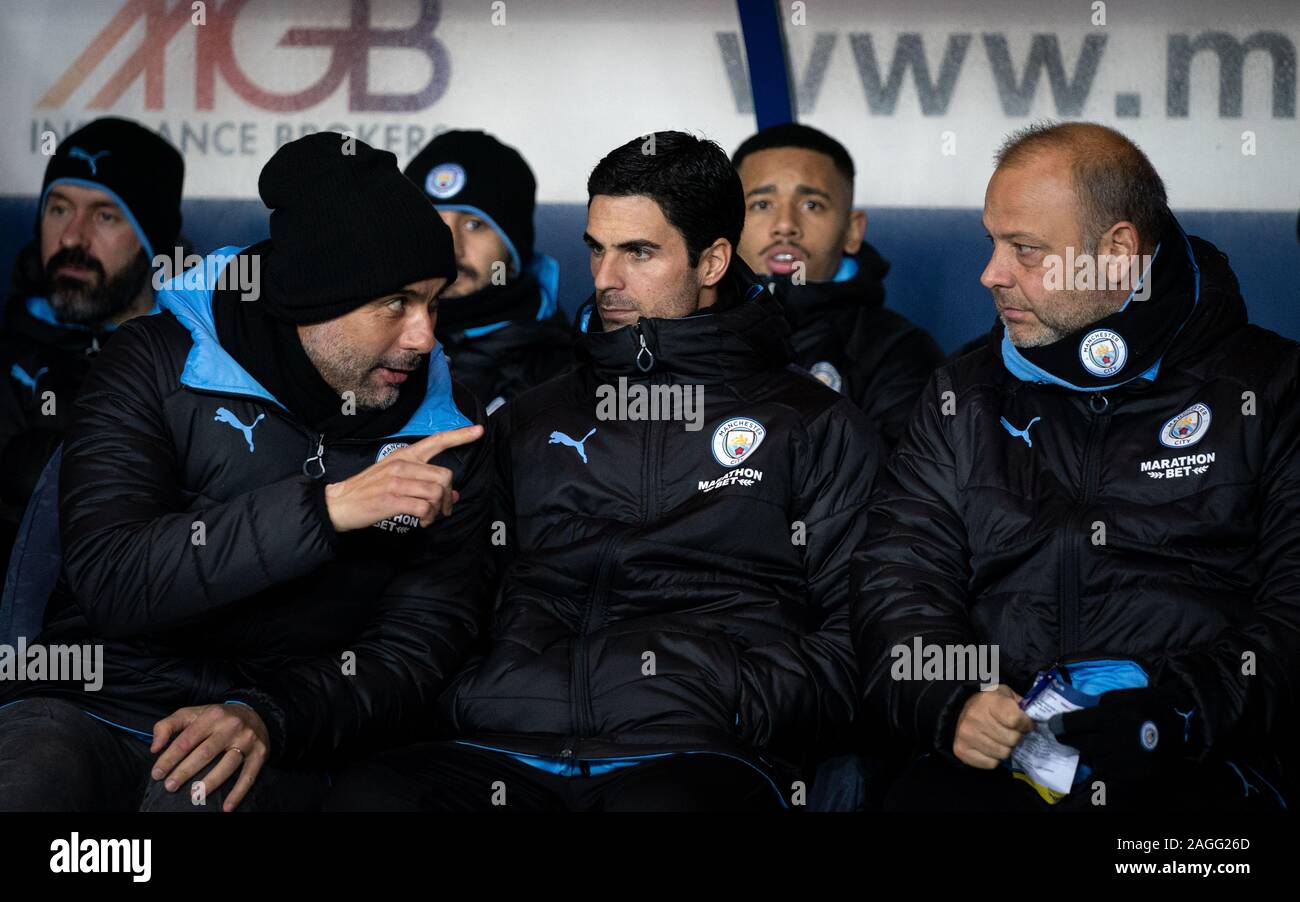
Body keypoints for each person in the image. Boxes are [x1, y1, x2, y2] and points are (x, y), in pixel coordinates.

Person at [325, 131, 882, 812]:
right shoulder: (527, 418)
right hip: (507, 736)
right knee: (370, 799)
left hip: (694, 749)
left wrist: (729, 698)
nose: (605, 279)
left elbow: (858, 639)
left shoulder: (815, 424)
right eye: (597, 248)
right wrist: (469, 690)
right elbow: (439, 604)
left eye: (638, 252)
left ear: (711, 261)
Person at [0, 133, 493, 812]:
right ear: (310, 299)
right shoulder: (151, 360)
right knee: (31, 782)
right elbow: (111, 577)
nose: (424, 337)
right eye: (396, 304)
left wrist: (269, 714)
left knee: (197, 800)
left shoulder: (449, 427)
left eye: (433, 303)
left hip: (274, 727)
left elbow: (416, 648)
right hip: (98, 700)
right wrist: (325, 510)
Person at [853, 121, 1299, 811]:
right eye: (992, 242)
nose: (991, 273)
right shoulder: (960, 394)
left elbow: (1291, 614)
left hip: (1206, 759)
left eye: (1024, 250)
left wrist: (1177, 712)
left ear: (1116, 252)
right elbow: (900, 585)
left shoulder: (1270, 387)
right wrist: (951, 704)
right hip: (998, 760)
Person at [0, 117, 183, 570]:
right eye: (59, 208)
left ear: (151, 241)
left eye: (105, 215)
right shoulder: (8, 358)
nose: (71, 237)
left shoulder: (201, 363)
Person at [732, 123, 942, 447]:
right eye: (762, 204)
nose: (785, 225)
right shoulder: (682, 328)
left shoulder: (898, 351)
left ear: (852, 231)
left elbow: (903, 486)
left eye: (811, 204)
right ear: (727, 223)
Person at [405, 130, 571, 415]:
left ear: (513, 248)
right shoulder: (367, 353)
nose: (451, 249)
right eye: (432, 223)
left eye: (474, 225)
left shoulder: (568, 374)